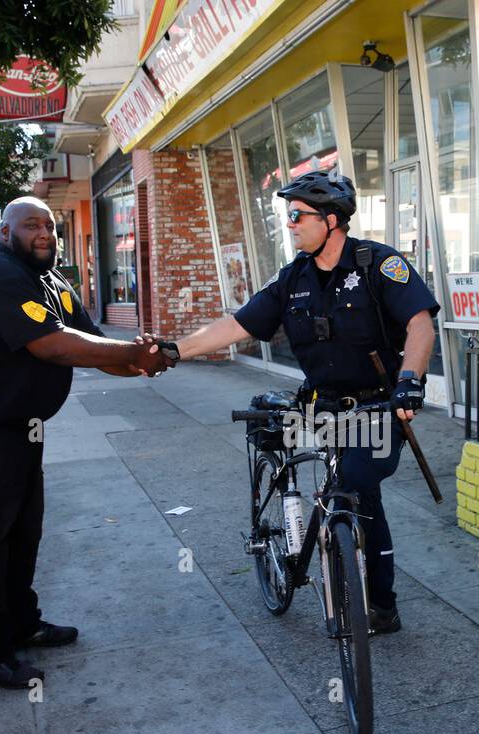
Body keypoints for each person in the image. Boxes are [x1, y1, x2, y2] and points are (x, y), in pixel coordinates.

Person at [0, 196, 174, 688]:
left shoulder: (50, 282)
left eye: (50, 228)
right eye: (31, 226)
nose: (44, 235)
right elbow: (52, 345)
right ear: (4, 230)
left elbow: (90, 346)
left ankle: (21, 624)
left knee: (22, 534)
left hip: (18, 430)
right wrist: (136, 352)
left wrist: (143, 361)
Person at [169, 171, 439, 634]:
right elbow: (237, 326)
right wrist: (174, 351)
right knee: (319, 469)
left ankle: (382, 604)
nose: (290, 224)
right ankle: (288, 538)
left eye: (297, 215)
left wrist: (410, 380)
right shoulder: (291, 278)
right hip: (323, 409)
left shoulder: (379, 265)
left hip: (377, 409)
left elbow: (419, 324)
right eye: (287, 216)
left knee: (355, 486)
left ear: (331, 221)